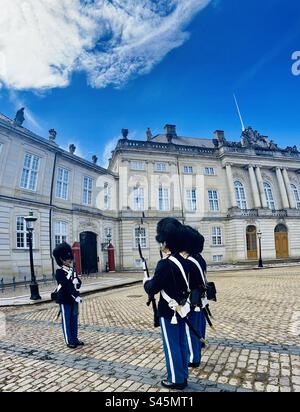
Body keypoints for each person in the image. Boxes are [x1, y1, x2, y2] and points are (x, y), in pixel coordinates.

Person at [143, 218, 190, 390]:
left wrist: (145, 282)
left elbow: (152, 288)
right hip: (182, 310)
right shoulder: (184, 262)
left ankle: (176, 380)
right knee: (181, 343)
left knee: (171, 347)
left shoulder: (165, 264)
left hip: (169, 312)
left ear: (165, 243)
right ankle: (183, 375)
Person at [183, 226, 208, 368]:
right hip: (200, 299)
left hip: (192, 299)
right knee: (198, 326)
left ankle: (193, 358)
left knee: (191, 329)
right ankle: (197, 349)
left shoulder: (189, 261)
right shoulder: (198, 258)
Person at [52, 243, 84, 349]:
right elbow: (65, 285)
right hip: (65, 299)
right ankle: (69, 340)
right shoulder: (59, 272)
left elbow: (77, 284)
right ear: (61, 259)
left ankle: (75, 338)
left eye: (70, 258)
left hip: (74, 299)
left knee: (74, 320)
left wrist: (77, 281)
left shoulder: (72, 270)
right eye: (67, 258)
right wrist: (76, 295)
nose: (70, 260)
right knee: (66, 321)